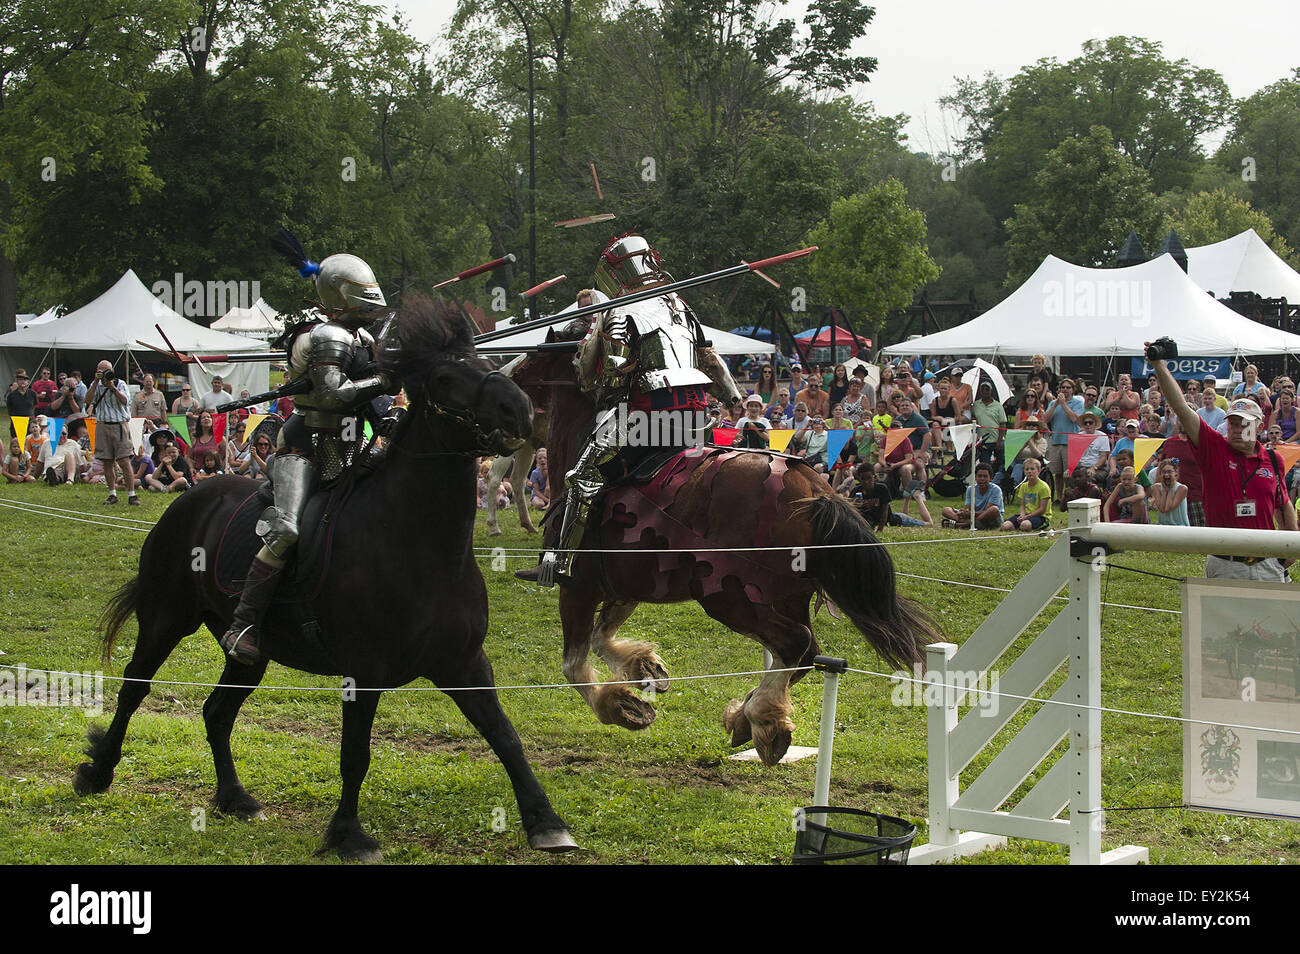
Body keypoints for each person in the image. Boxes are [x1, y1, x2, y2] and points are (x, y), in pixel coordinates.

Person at [220, 231, 401, 664]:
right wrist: (384, 380)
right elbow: (333, 396)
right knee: (287, 529)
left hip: (349, 445)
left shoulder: (362, 340)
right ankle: (243, 622)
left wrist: (390, 420)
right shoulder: (325, 337)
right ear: (343, 295)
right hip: (305, 447)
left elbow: (370, 400)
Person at [519, 233, 740, 588]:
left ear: (614, 274)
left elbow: (612, 380)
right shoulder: (680, 307)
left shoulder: (622, 312)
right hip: (697, 419)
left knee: (580, 478)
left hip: (649, 417)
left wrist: (595, 364)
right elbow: (708, 360)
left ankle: (559, 561)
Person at [1148, 338, 1298, 581]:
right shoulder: (1215, 449)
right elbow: (1182, 409)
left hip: (1268, 562)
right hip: (1226, 563)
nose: (1237, 429)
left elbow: (1283, 503)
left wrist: (1291, 543)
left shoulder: (1272, 458)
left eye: (1245, 424)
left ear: (1259, 427)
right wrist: (1160, 366)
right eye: (1233, 423)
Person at [84, 361, 139, 505]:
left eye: (107, 371)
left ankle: (132, 494)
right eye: (101, 371)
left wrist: (112, 387)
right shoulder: (95, 384)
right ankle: (112, 493)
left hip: (119, 425)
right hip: (102, 425)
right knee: (107, 461)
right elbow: (87, 400)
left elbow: (125, 401)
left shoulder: (120, 384)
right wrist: (96, 381)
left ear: (112, 371)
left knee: (124, 461)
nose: (104, 374)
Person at [1043, 378, 1083, 506]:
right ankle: (1059, 497)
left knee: (1069, 473)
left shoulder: (1078, 402)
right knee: (1057, 473)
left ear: (1073, 390)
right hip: (1055, 441)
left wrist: (1064, 404)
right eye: (1062, 387)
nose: (1065, 390)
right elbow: (1046, 419)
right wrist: (1055, 404)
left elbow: (1074, 418)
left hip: (1071, 442)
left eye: (1068, 387)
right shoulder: (1053, 403)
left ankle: (1070, 497)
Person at [941, 461, 1004, 529]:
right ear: (975, 477)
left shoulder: (996, 489)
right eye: (979, 476)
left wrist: (970, 514)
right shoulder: (971, 489)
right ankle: (966, 523)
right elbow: (968, 508)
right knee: (946, 510)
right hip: (973, 516)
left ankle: (962, 525)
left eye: (985, 476)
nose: (982, 479)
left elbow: (987, 510)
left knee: (994, 509)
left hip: (989, 518)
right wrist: (964, 512)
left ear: (990, 478)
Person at [1001, 457, 1052, 531]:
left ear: (1038, 471)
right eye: (1027, 469)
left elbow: (1042, 509)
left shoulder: (1044, 487)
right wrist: (1022, 515)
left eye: (1032, 469)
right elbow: (1022, 504)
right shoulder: (1023, 486)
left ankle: (1026, 525)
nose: (1029, 471)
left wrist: (1026, 517)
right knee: (1005, 526)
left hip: (1041, 516)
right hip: (1026, 515)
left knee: (1025, 525)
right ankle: (1019, 525)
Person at [1151, 459, 1189, 526]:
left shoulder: (1182, 488)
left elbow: (1168, 508)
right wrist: (1165, 490)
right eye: (1164, 472)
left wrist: (1171, 489)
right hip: (1163, 525)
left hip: (1179, 526)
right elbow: (1162, 509)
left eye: (1169, 472)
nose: (1166, 475)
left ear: (1176, 473)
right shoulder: (1156, 487)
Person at [5, 370, 36, 437]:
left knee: (29, 443)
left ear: (28, 382)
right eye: (20, 380)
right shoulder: (11, 395)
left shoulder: (32, 394)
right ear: (17, 381)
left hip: (29, 422)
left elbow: (34, 406)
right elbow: (9, 409)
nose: (22, 381)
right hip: (16, 422)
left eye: (25, 380)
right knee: (17, 443)